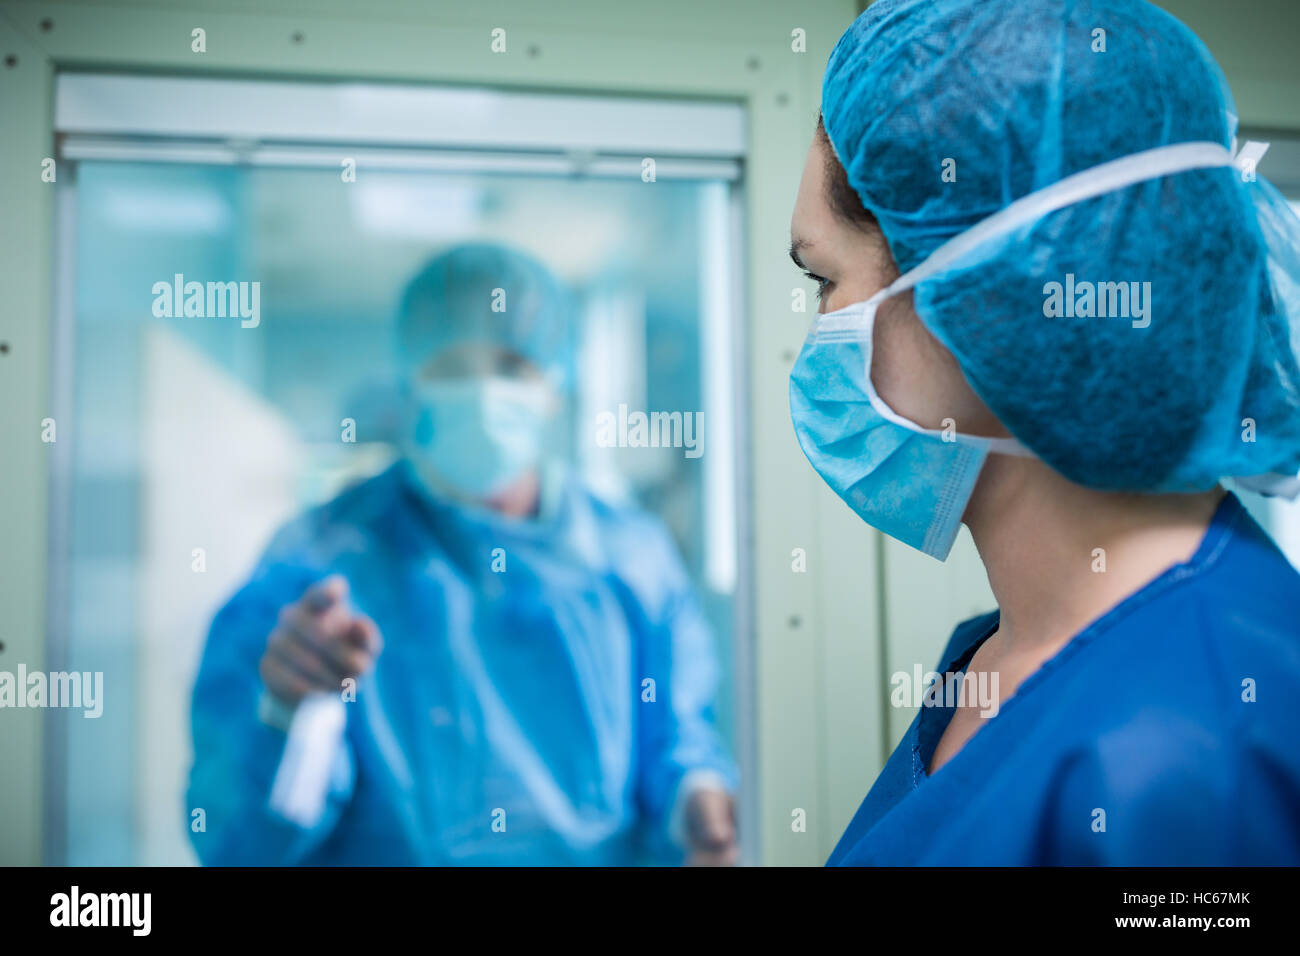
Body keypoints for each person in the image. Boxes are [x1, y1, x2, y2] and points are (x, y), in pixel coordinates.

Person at [787, 0, 1300, 865]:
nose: (815, 338)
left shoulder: (1198, 740)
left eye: (823, 283)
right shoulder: (1005, 648)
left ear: (986, 291)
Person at [187, 242, 738, 865]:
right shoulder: (318, 563)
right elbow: (240, 848)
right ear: (409, 385)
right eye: (452, 367)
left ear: (556, 383)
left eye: (510, 365)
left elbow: (678, 733)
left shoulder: (632, 557)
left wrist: (696, 796)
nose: (482, 391)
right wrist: (288, 712)